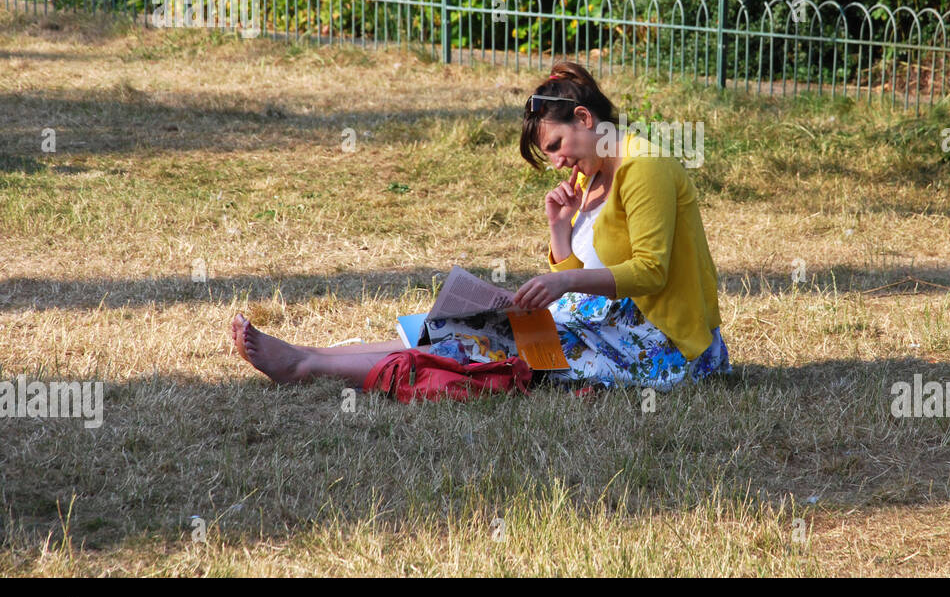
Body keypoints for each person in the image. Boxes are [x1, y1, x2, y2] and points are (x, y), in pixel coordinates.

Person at [232, 61, 731, 396]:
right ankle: (310, 355)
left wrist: (562, 280)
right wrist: (559, 233)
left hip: (658, 345)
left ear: (584, 118)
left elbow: (650, 272)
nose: (558, 163)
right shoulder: (591, 171)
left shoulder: (643, 167)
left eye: (557, 146)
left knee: (479, 351)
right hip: (605, 325)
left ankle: (304, 366)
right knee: (462, 330)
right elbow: (588, 275)